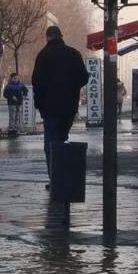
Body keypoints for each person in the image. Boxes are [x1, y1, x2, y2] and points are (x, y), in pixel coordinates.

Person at [32, 26, 89, 184]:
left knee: (51, 142)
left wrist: (39, 103)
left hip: (49, 108)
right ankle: (61, 175)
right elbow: (84, 78)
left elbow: (36, 82)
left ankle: (55, 178)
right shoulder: (73, 54)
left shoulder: (43, 55)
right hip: (69, 106)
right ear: (61, 36)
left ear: (48, 37)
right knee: (61, 139)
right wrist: (72, 86)